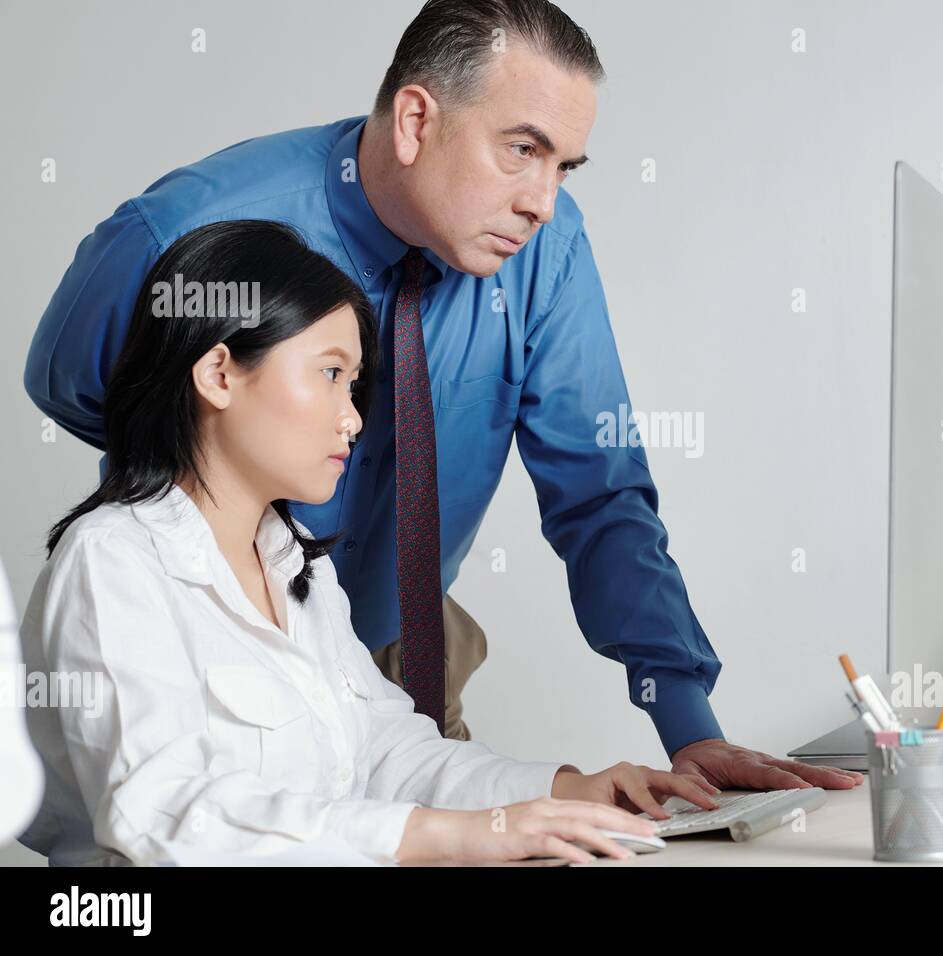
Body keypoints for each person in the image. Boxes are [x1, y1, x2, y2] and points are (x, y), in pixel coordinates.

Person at [23, 0, 862, 792]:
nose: (543, 201)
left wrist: (688, 728)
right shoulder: (185, 234)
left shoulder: (545, 250)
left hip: (403, 670)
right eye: (522, 150)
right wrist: (234, 545)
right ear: (418, 120)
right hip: (214, 663)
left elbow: (599, 493)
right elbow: (78, 385)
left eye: (566, 166)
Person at [18, 220, 719, 866]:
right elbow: (167, 814)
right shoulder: (113, 560)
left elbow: (390, 753)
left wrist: (571, 791)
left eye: (354, 386)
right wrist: (454, 835)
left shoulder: (297, 566)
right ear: (219, 372)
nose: (353, 419)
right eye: (329, 375)